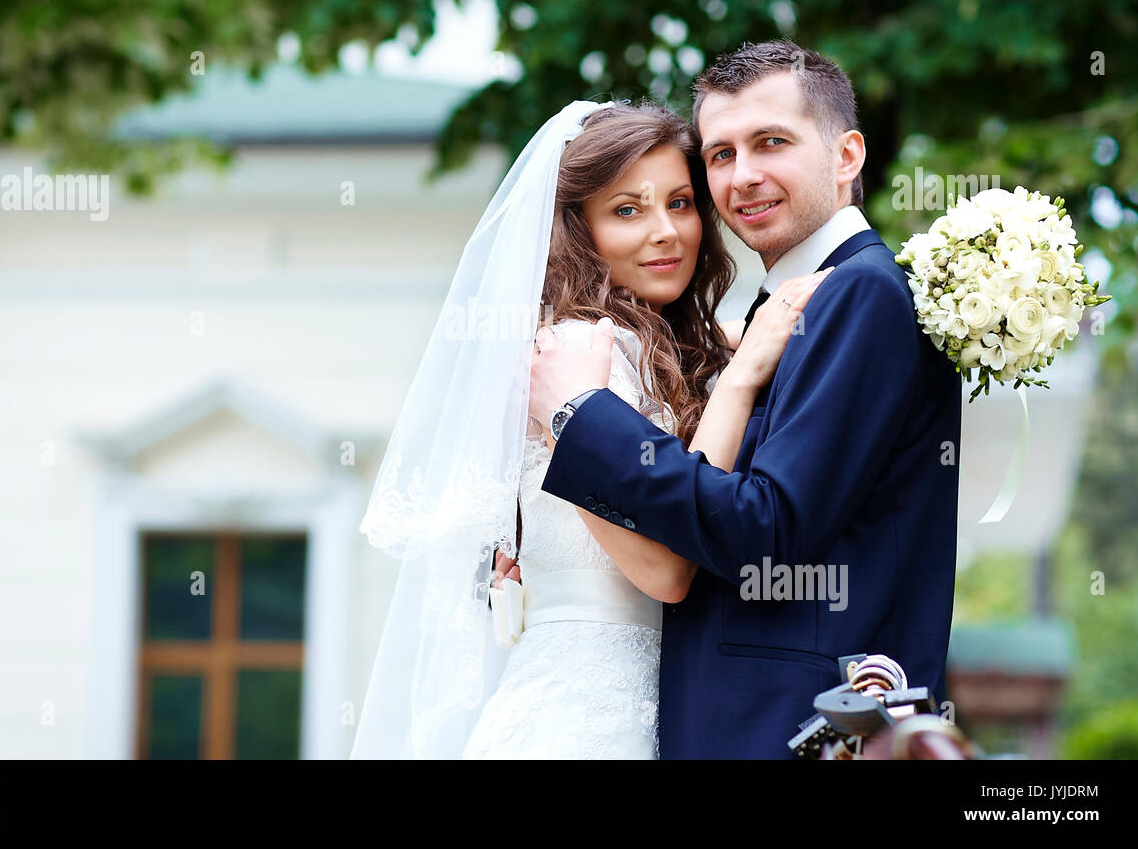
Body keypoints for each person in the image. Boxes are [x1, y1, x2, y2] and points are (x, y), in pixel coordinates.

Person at [529, 39, 963, 759]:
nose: (743, 176)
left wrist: (578, 418)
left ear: (847, 156)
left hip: (787, 724)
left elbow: (768, 524)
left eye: (771, 143)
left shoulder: (858, 292)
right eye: (721, 154)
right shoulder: (779, 310)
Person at [351, 99, 825, 758]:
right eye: (627, 210)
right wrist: (742, 377)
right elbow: (665, 569)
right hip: (579, 721)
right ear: (582, 232)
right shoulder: (581, 356)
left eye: (681, 203)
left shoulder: (657, 349)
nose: (666, 232)